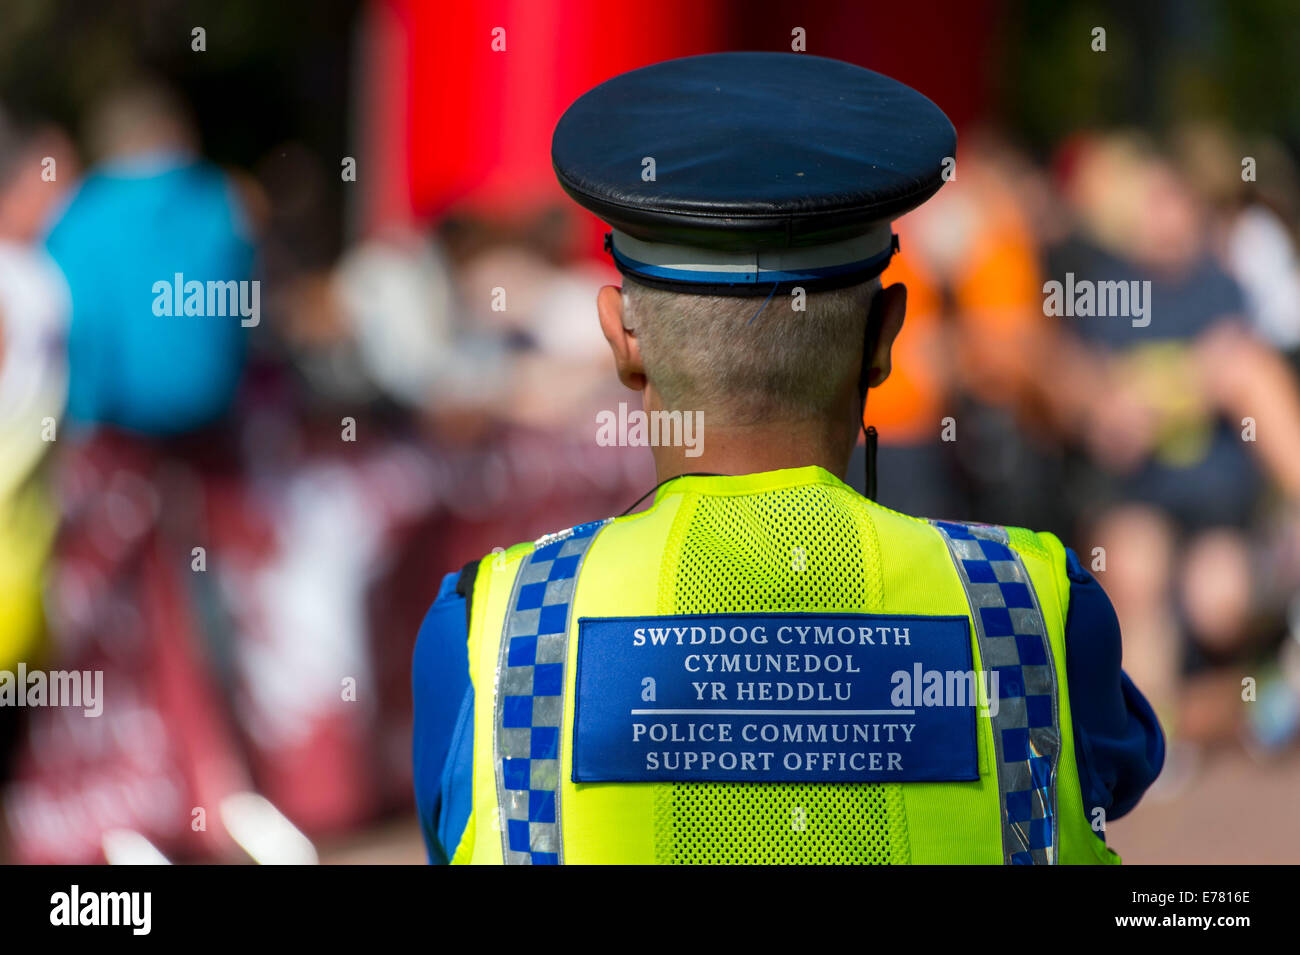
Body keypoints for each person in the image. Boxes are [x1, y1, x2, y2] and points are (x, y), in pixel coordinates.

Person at [412, 52, 1164, 865]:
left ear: (622, 340)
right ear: (883, 339)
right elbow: (1118, 769)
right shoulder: (1038, 606)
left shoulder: (488, 627)